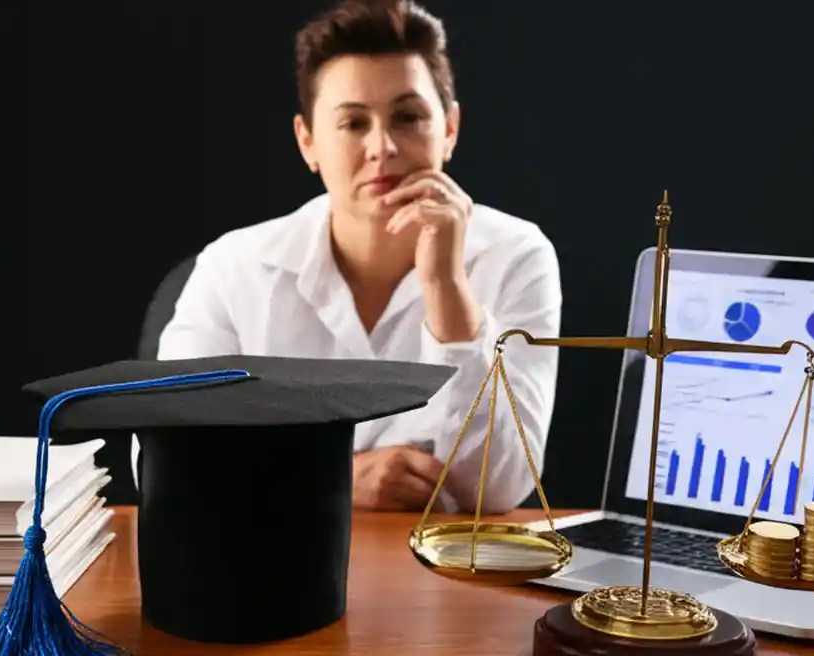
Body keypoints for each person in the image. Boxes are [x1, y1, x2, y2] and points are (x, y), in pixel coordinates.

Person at [157, 0, 561, 514]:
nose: (382, 147)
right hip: (271, 561)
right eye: (352, 123)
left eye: (408, 117)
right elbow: (167, 462)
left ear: (451, 129)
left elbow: (500, 488)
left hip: (445, 574)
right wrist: (333, 479)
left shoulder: (516, 256)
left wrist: (446, 288)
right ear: (308, 142)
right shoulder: (234, 266)